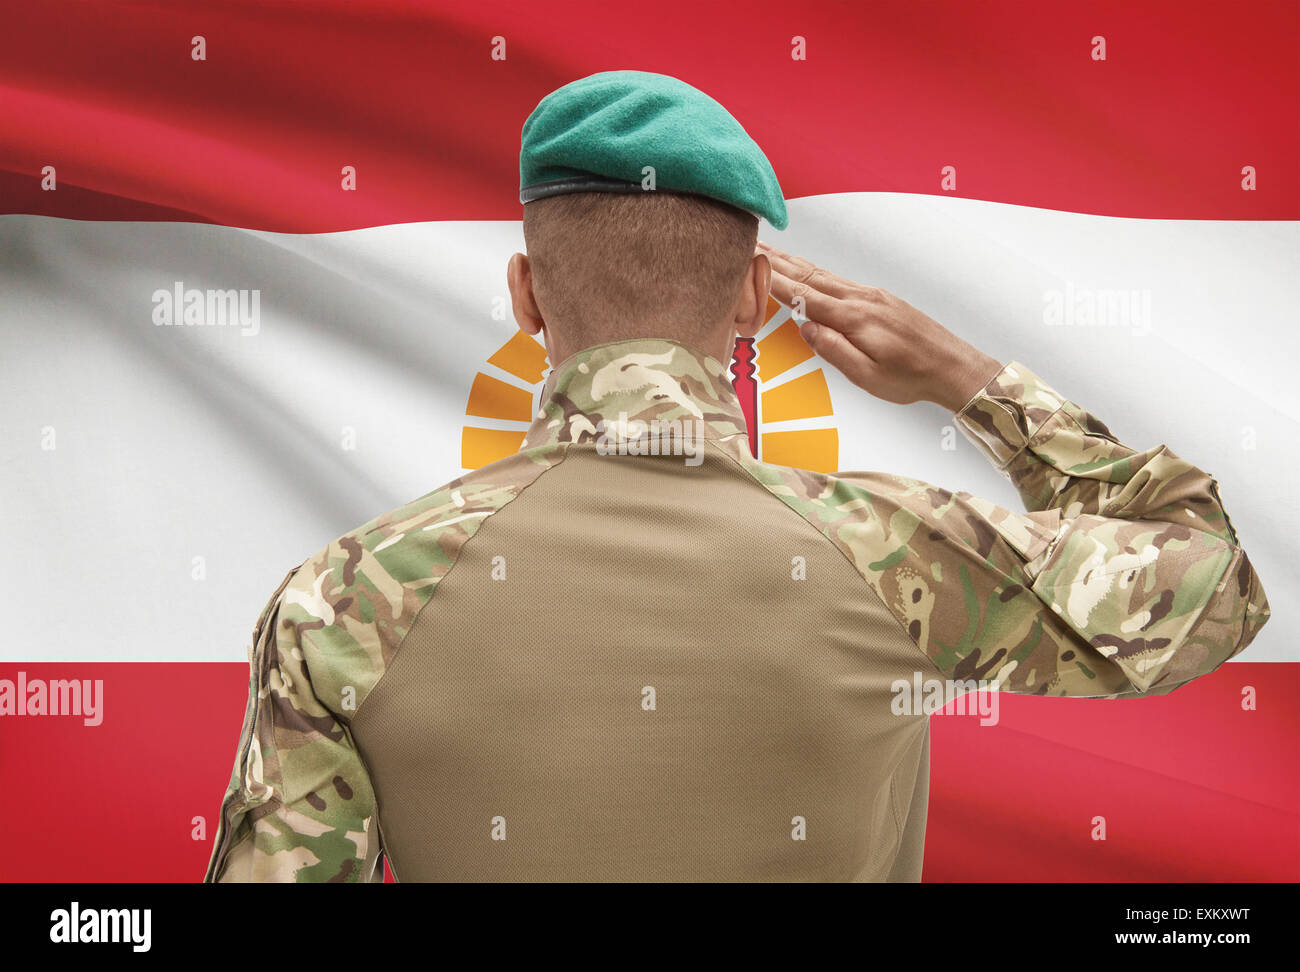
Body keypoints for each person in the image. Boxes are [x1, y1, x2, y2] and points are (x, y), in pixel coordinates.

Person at [203, 70, 1269, 883]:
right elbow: (1214, 583)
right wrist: (969, 379)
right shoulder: (895, 554)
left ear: (526, 297)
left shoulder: (341, 600)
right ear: (757, 296)